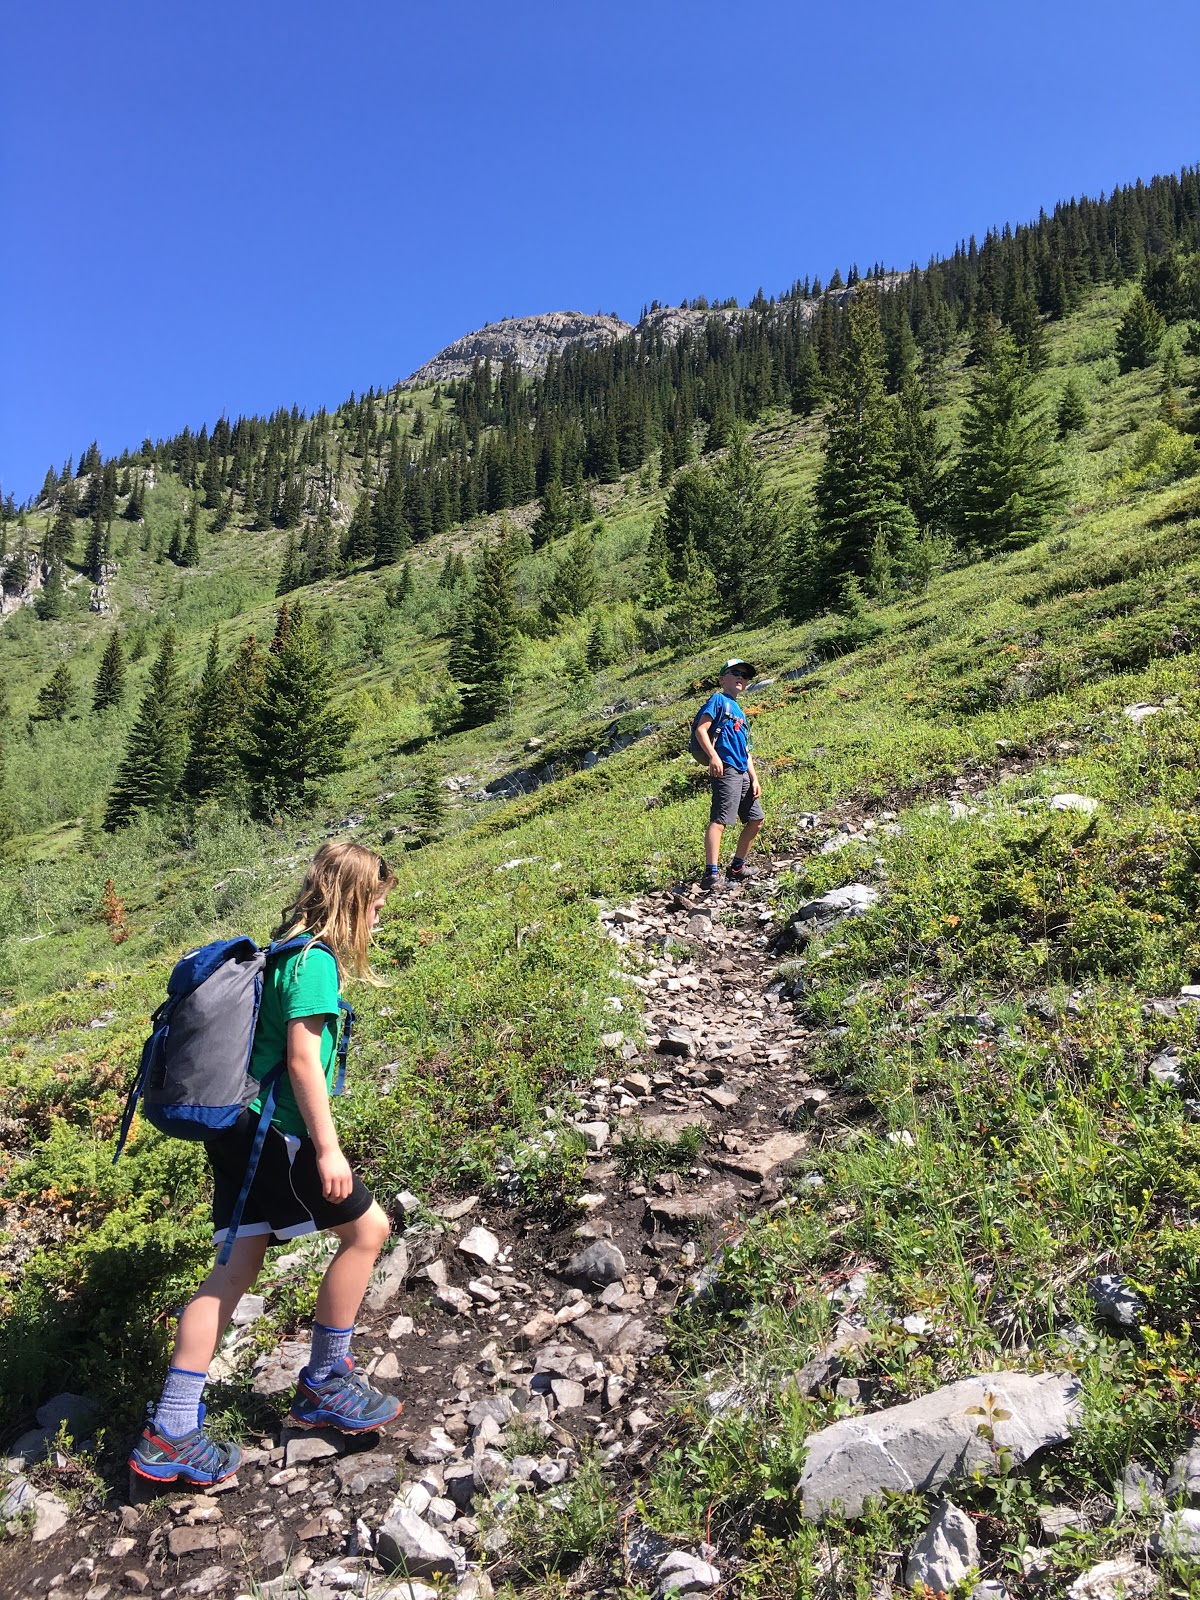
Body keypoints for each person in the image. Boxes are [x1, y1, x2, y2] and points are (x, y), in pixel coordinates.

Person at [129, 841, 401, 1486]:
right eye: (379, 906)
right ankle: (327, 1382)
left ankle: (171, 1428)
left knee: (234, 1269)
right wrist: (327, 1148)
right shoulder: (315, 964)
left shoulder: (281, 952)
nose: (381, 919)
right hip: (277, 1136)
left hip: (238, 1132)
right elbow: (305, 1062)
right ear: (356, 899)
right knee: (368, 1231)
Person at [693, 658, 764, 890]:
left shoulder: (740, 712)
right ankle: (711, 874)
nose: (740, 677)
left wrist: (754, 777)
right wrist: (714, 757)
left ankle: (737, 867)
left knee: (756, 819)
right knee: (720, 820)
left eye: (744, 675)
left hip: (742, 771)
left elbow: (746, 749)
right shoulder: (718, 700)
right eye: (735, 673)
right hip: (726, 768)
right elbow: (701, 730)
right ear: (723, 679)